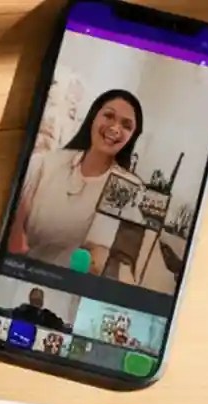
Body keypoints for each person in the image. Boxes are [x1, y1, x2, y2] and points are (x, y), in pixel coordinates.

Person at [8, 89, 145, 274]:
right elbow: (15, 225)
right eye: (108, 116)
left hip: (70, 282)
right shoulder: (45, 163)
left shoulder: (124, 187)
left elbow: (98, 255)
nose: (115, 128)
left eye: (126, 126)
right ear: (93, 117)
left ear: (132, 137)